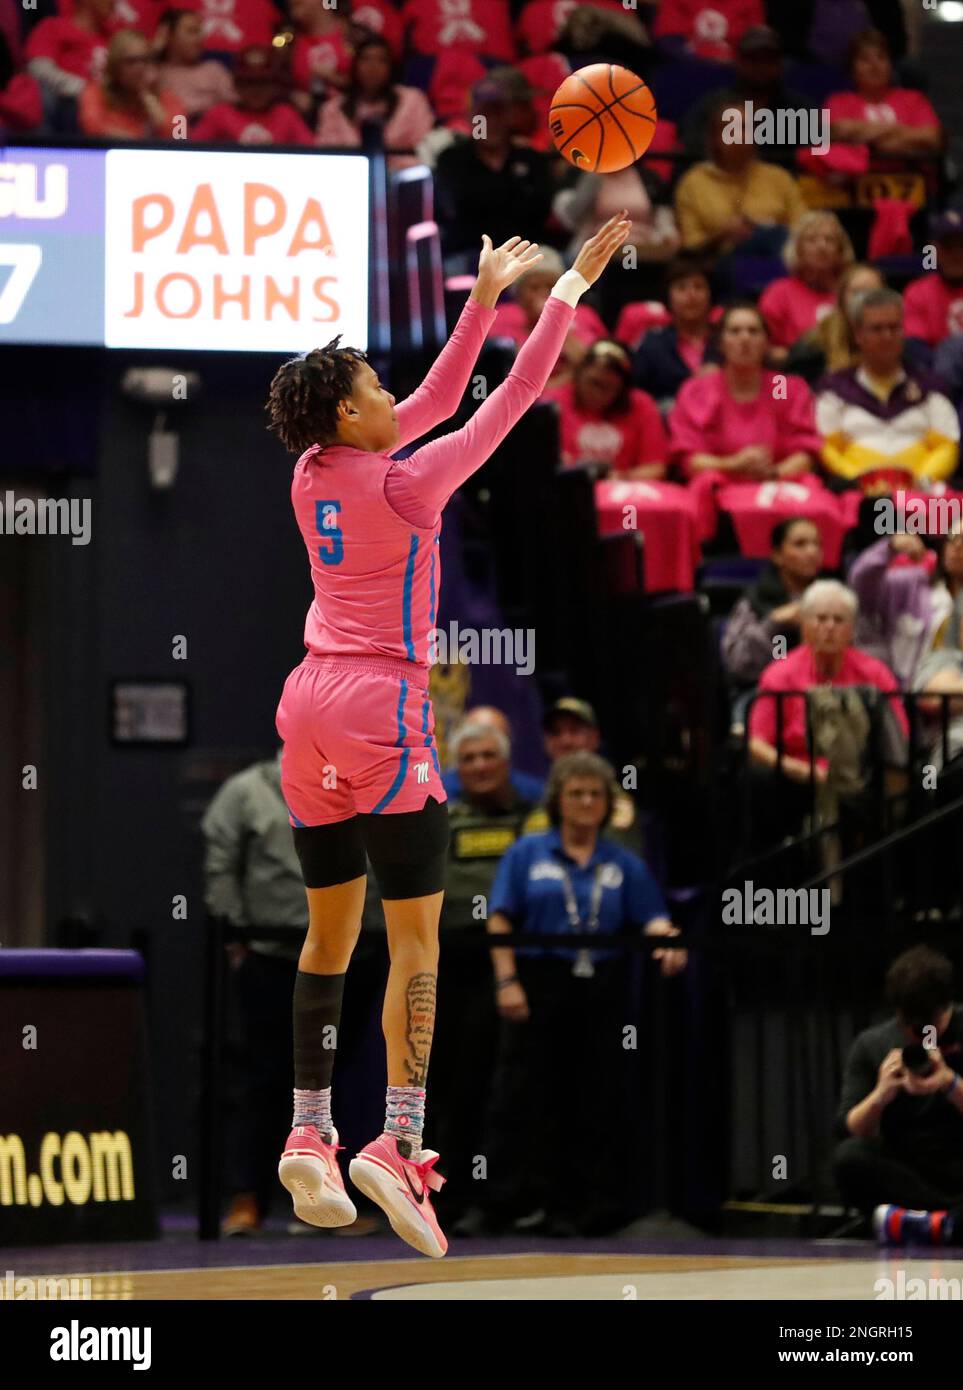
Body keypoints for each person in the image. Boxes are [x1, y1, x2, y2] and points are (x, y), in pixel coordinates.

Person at [266, 213, 632, 1258]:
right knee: (416, 936)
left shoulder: (315, 472)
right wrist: (566, 295)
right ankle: (400, 1141)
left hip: (305, 704)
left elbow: (427, 403)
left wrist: (478, 304)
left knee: (330, 933)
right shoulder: (410, 482)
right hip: (383, 700)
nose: (397, 392)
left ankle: (308, 1125)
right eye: (376, 383)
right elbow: (508, 403)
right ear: (348, 409)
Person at [482, 751, 686, 1234]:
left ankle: (590, 1208)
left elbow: (652, 916)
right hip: (539, 983)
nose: (586, 802)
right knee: (530, 1097)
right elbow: (500, 918)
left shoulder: (623, 861)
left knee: (596, 1098)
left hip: (601, 990)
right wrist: (507, 980)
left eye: (595, 794)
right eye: (576, 793)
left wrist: (669, 939)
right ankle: (520, 1204)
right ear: (558, 801)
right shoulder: (527, 853)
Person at [428, 719, 545, 1225]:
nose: (478, 767)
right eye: (468, 758)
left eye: (487, 757)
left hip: (523, 964)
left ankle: (511, 1198)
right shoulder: (438, 817)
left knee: (517, 1085)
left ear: (507, 761)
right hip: (452, 961)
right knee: (457, 1082)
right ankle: (449, 1200)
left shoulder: (536, 815)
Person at [201, 751, 308, 1236]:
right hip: (270, 955)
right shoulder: (246, 791)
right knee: (263, 1080)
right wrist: (235, 937)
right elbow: (220, 868)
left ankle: (322, 1205)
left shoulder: (358, 782)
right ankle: (248, 1198)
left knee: (335, 1082)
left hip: (352, 957)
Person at [834, 945, 963, 1246]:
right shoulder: (873, 1044)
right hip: (909, 1172)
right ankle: (946, 1224)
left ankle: (925, 1224)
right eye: (913, 1030)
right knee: (850, 1158)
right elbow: (847, 1128)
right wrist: (880, 1095)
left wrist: (950, 1083)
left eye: (930, 1028)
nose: (922, 1039)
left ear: (948, 1007)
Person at [748, 578, 908, 783]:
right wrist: (803, 771)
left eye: (839, 620)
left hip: (862, 778)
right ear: (804, 626)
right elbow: (756, 743)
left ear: (852, 629)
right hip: (797, 778)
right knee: (759, 777)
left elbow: (899, 735)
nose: (830, 627)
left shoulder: (876, 673)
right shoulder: (779, 674)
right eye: (821, 618)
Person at [816, 288, 959, 490]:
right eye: (877, 329)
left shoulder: (931, 386)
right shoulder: (834, 389)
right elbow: (827, 448)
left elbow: (946, 446)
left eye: (894, 327)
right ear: (858, 335)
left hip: (923, 492)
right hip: (854, 494)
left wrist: (921, 480)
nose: (887, 336)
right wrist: (860, 481)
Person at [669, 302, 821, 482]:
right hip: (717, 494)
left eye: (753, 331)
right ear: (721, 343)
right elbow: (689, 460)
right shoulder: (697, 391)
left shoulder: (782, 387)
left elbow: (805, 453)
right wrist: (733, 465)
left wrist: (773, 474)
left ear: (766, 343)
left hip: (778, 490)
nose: (745, 338)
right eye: (734, 331)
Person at [433, 71, 555, 271]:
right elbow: (456, 209)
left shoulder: (531, 159)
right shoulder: (451, 159)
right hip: (468, 255)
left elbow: (539, 210)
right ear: (472, 117)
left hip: (525, 255)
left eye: (497, 113)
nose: (490, 122)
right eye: (483, 115)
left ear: (509, 117)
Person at [674, 99, 806, 261]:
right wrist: (722, 236)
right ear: (715, 136)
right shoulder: (693, 182)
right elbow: (690, 245)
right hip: (715, 270)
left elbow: (804, 230)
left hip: (777, 266)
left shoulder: (779, 178)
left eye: (746, 128)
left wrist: (767, 230)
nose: (740, 135)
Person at [680, 24, 808, 169]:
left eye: (768, 60)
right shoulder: (714, 105)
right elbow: (692, 147)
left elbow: (812, 157)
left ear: (780, 64)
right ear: (739, 62)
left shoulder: (800, 109)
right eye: (753, 59)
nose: (761, 67)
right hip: (722, 183)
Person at [721, 516, 824, 690]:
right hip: (767, 691)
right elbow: (738, 665)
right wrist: (773, 625)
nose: (811, 551)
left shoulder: (831, 597)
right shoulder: (756, 600)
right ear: (777, 555)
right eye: (800, 544)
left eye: (817, 544)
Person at [486, 248, 606, 395]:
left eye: (551, 287)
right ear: (518, 295)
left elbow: (595, 368)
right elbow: (509, 374)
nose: (544, 293)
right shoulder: (501, 317)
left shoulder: (585, 315)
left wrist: (559, 324)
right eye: (534, 288)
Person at [545, 339, 668, 478]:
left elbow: (655, 468)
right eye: (594, 383)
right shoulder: (553, 403)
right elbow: (543, 461)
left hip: (621, 491)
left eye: (610, 388)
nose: (598, 395)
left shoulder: (641, 405)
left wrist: (619, 477)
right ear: (578, 375)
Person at [315, 34, 434, 168]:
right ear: (355, 65)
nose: (373, 68)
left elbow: (425, 151)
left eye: (381, 60)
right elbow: (326, 158)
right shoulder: (333, 109)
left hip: (403, 182)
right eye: (366, 59)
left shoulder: (413, 101)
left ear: (391, 67)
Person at [758, 212, 855, 363]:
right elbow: (765, 346)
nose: (822, 246)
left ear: (840, 251)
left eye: (830, 240)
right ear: (798, 250)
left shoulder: (852, 289)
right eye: (811, 240)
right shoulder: (779, 292)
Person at [631, 257, 717, 408]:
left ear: (711, 295)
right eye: (681, 288)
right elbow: (637, 398)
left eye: (698, 287)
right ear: (668, 297)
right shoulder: (652, 344)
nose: (691, 295)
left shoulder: (727, 340)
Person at [785, 262, 884, 387]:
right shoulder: (812, 347)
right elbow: (782, 389)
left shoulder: (896, 343)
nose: (863, 300)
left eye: (872, 293)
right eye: (856, 293)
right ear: (842, 299)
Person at [191, 43, 314, 144]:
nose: (256, 90)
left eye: (263, 82)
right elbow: (192, 150)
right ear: (236, 85)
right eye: (249, 83)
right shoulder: (219, 114)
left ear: (274, 85)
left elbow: (311, 153)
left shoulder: (286, 115)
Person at [78, 28, 181, 137]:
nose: (140, 67)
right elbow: (93, 127)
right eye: (131, 61)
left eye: (145, 60)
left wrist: (148, 96)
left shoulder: (167, 97)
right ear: (115, 67)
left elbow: (180, 135)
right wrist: (138, 142)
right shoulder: (94, 93)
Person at [441, 706, 544, 802]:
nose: (480, 766)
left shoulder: (534, 795)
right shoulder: (439, 797)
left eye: (489, 755)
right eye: (468, 758)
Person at [26, 0, 115, 105]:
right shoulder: (53, 27)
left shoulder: (112, 37)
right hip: (69, 105)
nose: (113, 2)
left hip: (110, 110)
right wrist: (86, 90)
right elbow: (39, 69)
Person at [153, 7, 234, 120]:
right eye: (192, 31)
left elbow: (235, 111)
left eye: (200, 32)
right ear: (169, 35)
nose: (200, 38)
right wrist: (155, 48)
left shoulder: (214, 70)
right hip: (171, 132)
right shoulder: (156, 72)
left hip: (210, 132)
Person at [903, 211, 963, 353]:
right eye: (948, 246)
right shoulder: (917, 293)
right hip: (936, 372)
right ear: (933, 250)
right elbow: (916, 350)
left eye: (962, 246)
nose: (956, 254)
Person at [653, 0, 765, 64]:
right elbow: (667, 40)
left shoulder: (750, 2)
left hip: (734, 76)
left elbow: (756, 45)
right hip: (686, 72)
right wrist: (701, 63)